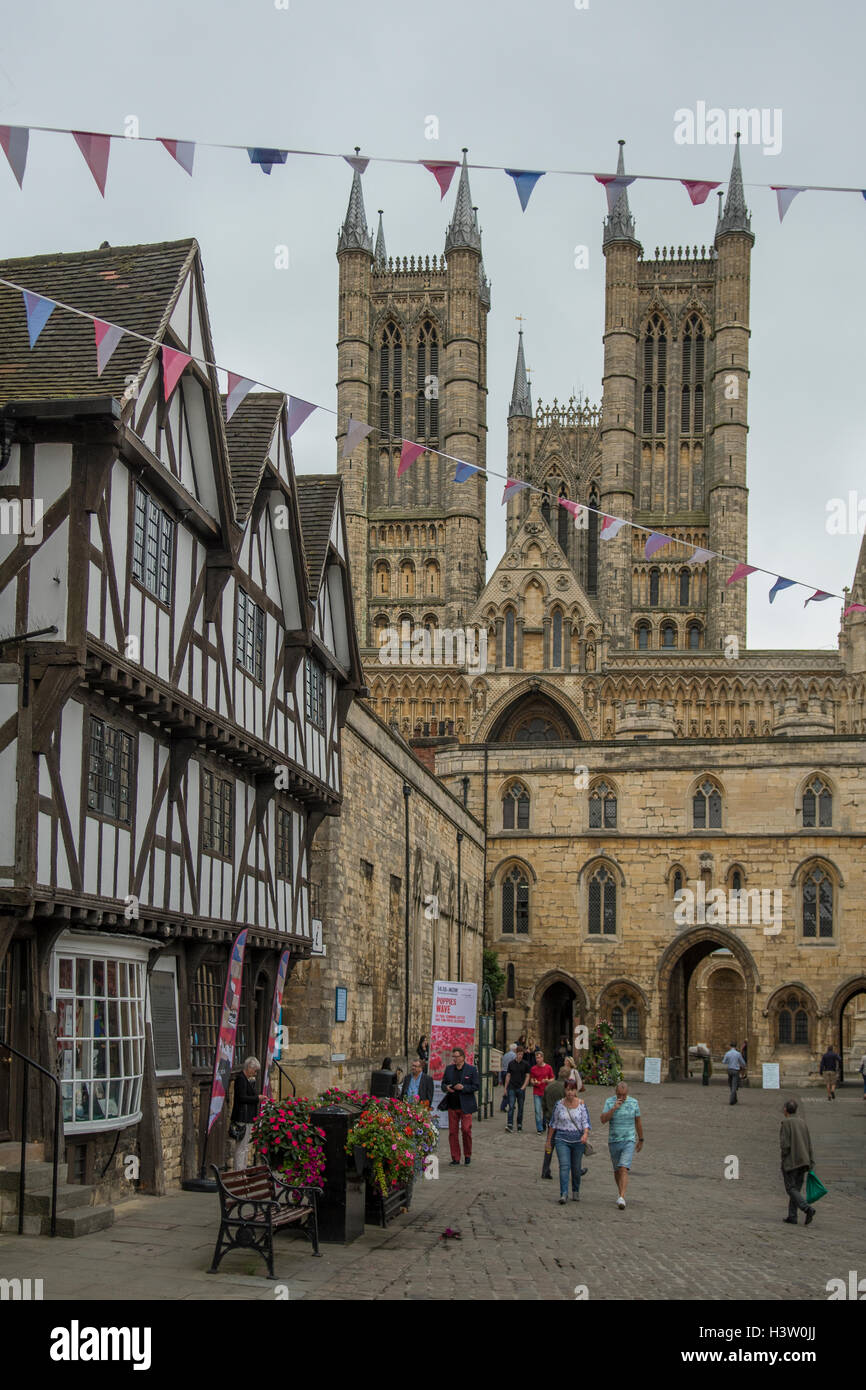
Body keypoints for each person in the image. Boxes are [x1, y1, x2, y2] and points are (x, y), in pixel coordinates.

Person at [600, 1080, 643, 1209]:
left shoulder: (634, 1103)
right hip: (614, 1140)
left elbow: (638, 1122)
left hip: (629, 1139)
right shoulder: (609, 1102)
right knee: (617, 1170)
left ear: (627, 1093)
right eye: (619, 1095)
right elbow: (603, 1120)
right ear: (615, 1093)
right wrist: (614, 1108)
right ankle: (620, 1193)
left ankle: (622, 1197)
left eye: (624, 1095)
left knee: (624, 1167)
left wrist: (641, 1139)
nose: (621, 1098)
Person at [548, 1079, 591, 1204]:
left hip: (578, 1141)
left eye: (572, 1090)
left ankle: (576, 1190)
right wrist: (549, 1141)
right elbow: (553, 1123)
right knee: (564, 1166)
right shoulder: (559, 1105)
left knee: (576, 1168)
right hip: (562, 1139)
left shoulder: (581, 1104)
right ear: (564, 1090)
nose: (569, 1092)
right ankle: (564, 1193)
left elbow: (585, 1122)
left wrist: (585, 1134)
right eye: (567, 1089)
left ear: (576, 1091)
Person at [780, 1098, 817, 1225]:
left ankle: (807, 1208)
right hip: (804, 1160)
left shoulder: (786, 1123)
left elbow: (785, 1145)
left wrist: (784, 1158)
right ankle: (792, 1216)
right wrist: (811, 1161)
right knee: (796, 1189)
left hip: (792, 1161)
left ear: (786, 1110)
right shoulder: (802, 1122)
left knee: (790, 1188)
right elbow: (809, 1143)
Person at [439, 1047, 479, 1165]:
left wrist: (464, 1088)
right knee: (452, 1132)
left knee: (466, 1130)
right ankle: (455, 1158)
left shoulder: (471, 1069)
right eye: (453, 1057)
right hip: (452, 1104)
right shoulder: (449, 1069)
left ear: (462, 1057)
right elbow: (443, 1084)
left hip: (466, 1105)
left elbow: (476, 1086)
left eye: (456, 1057)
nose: (455, 1059)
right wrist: (446, 1088)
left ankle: (467, 1154)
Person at [229, 1056, 261, 1171]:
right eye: (254, 1070)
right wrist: (257, 1098)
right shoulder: (240, 1079)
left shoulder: (248, 1080)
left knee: (245, 1147)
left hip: (248, 1117)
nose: (255, 1073)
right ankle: (238, 1172)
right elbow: (242, 1097)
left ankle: (242, 1170)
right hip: (242, 1117)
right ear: (249, 1067)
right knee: (241, 1147)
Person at [541, 1065, 570, 1180]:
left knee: (549, 1146)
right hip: (563, 1122)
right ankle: (574, 1169)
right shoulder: (566, 1089)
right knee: (568, 1146)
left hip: (551, 1120)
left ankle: (545, 1169)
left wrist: (546, 1116)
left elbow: (543, 1104)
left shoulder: (549, 1086)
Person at [504, 1045, 531, 1132]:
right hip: (512, 1087)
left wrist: (523, 1087)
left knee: (521, 1107)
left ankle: (519, 1124)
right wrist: (505, 1088)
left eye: (522, 1054)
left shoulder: (526, 1064)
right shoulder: (511, 1063)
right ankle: (510, 1124)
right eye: (519, 1054)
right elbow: (508, 1075)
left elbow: (528, 1076)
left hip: (521, 1088)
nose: (520, 1056)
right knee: (511, 1106)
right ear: (516, 1054)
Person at [529, 1049, 555, 1133]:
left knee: (545, 1111)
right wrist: (534, 1082)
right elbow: (531, 1080)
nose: (537, 1060)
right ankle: (539, 1128)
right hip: (537, 1092)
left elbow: (553, 1078)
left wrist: (547, 1081)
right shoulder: (533, 1069)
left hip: (546, 1092)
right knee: (537, 1110)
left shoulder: (548, 1067)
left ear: (542, 1058)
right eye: (536, 1058)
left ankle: (544, 1124)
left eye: (539, 1058)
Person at [722, 1041, 746, 1105]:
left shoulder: (727, 1053)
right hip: (735, 1070)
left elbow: (724, 1062)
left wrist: (729, 1061)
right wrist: (742, 1066)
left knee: (731, 1084)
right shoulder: (738, 1054)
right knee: (734, 1085)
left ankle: (734, 1098)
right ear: (736, 1046)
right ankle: (732, 1100)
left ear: (730, 1046)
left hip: (729, 1070)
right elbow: (743, 1063)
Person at [499, 1042, 517, 1112]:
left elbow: (502, 1065)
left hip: (503, 1072)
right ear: (515, 1049)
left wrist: (500, 1078)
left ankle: (510, 1103)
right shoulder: (514, 1056)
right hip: (509, 1073)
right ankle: (503, 1105)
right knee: (509, 1090)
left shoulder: (505, 1055)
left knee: (506, 1088)